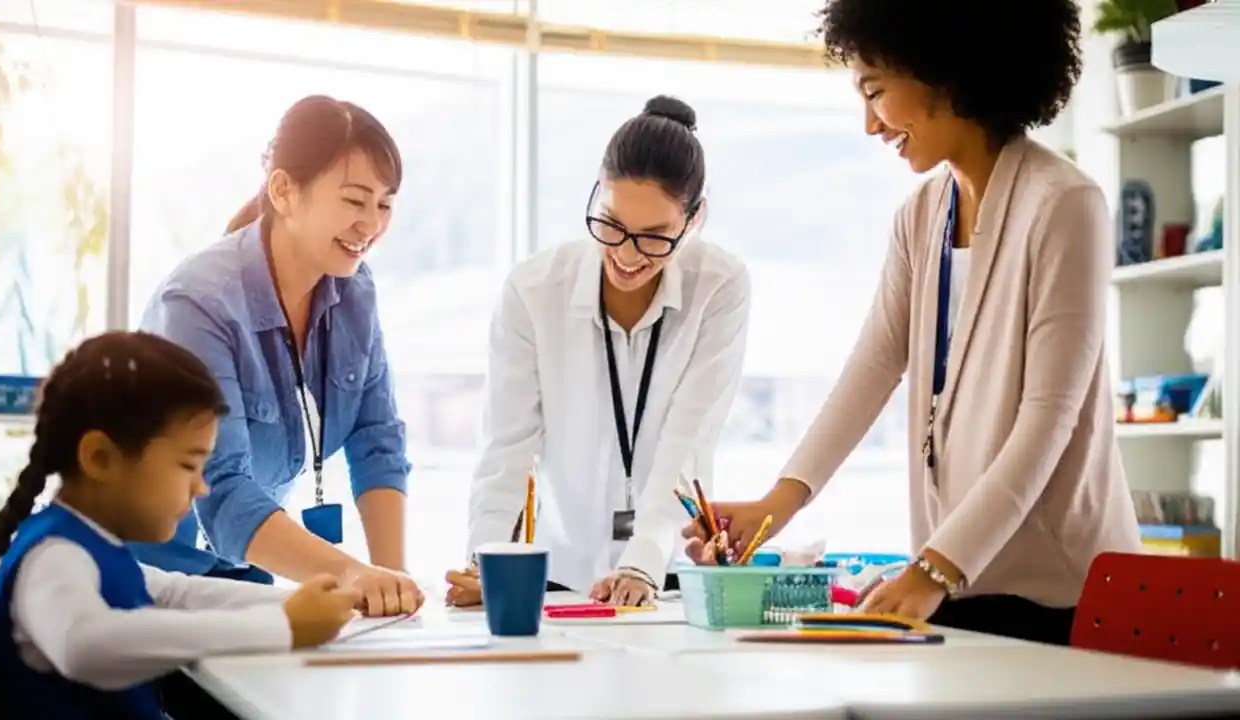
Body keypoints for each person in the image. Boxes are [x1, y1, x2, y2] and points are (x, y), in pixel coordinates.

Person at [684, 0, 1141, 645]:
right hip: (959, 578)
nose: (870, 124)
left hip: (1058, 592)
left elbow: (1047, 420)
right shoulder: (922, 214)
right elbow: (871, 370)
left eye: (876, 92)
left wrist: (933, 567)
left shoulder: (1065, 205)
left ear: (945, 71)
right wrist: (772, 508)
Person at [448, 96, 750, 607]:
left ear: (694, 220)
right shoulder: (534, 290)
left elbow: (688, 441)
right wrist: (486, 560)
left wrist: (642, 562)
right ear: (596, 190)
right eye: (610, 224)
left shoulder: (719, 287)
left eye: (655, 237)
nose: (627, 255)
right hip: (557, 580)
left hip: (665, 582)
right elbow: (508, 446)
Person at [0, 332, 358, 719]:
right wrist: (282, 626)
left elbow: (176, 592)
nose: (202, 486)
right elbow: (86, 646)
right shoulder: (53, 557)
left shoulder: (87, 547)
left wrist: (324, 606)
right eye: (188, 465)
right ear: (100, 458)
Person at [134, 95, 422, 618]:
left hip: (236, 582)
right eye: (355, 201)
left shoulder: (353, 291)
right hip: (133, 583)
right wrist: (352, 573)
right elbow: (220, 491)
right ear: (285, 191)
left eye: (385, 204)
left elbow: (377, 440)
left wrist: (394, 588)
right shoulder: (199, 303)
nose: (371, 224)